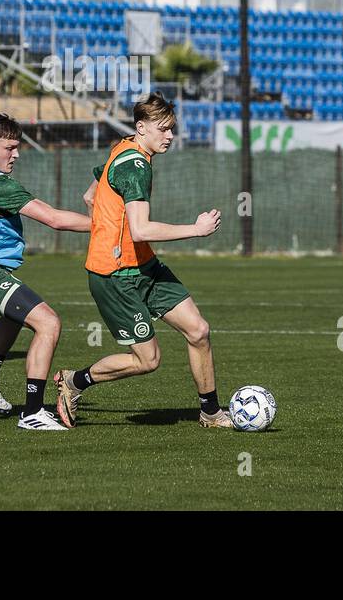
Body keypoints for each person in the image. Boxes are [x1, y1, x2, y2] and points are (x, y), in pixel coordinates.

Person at [52, 93, 229, 429]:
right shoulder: (135, 166)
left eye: (172, 129)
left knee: (199, 330)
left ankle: (211, 412)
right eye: (163, 129)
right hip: (114, 275)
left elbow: (90, 194)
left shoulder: (126, 146)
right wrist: (197, 229)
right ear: (141, 127)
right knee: (148, 360)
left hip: (144, 266)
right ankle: (74, 382)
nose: (170, 136)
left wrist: (105, 226)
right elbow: (140, 228)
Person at [0, 113, 90, 430]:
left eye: (17, 146)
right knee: (48, 323)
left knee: (14, 318)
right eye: (10, 148)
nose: (17, 154)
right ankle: (33, 412)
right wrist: (107, 226)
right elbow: (55, 220)